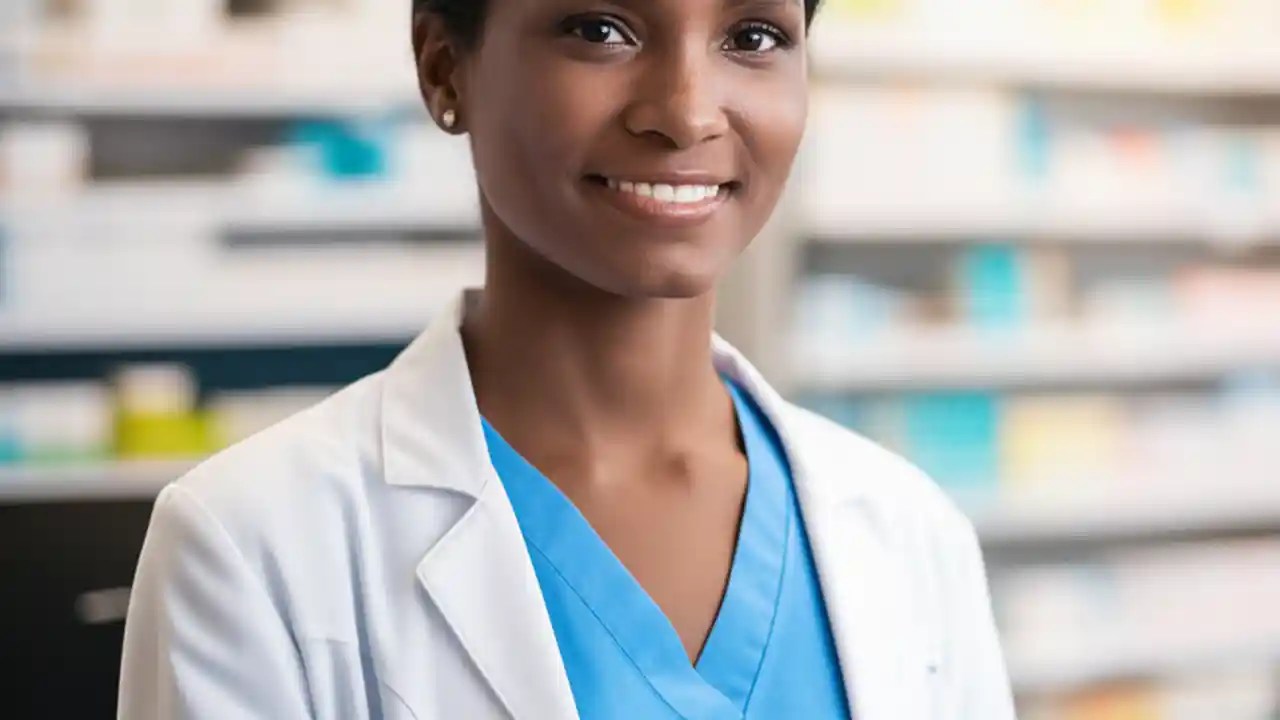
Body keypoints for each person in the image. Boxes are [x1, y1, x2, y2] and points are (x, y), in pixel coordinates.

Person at [118, 0, 1015, 718]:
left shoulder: (909, 532)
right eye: (600, 30)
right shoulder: (251, 543)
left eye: (753, 36)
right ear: (444, 68)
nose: (686, 113)